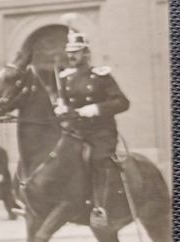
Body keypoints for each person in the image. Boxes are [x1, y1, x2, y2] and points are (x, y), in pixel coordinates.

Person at [53, 27, 131, 226]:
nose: (71, 55)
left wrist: (96, 108)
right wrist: (60, 107)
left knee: (98, 160)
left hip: (101, 132)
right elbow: (64, 102)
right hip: (75, 131)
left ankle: (100, 208)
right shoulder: (65, 78)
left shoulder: (101, 76)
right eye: (69, 52)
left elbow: (122, 102)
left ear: (85, 52)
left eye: (76, 51)